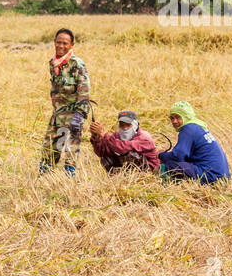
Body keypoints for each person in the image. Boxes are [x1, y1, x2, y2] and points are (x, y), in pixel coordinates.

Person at [40, 28, 92, 176]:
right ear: (54, 42)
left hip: (74, 114)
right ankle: (45, 175)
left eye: (65, 43)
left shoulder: (77, 65)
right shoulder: (53, 63)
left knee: (71, 149)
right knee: (49, 145)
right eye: (58, 42)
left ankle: (69, 178)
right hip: (58, 113)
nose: (61, 46)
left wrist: (79, 115)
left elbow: (84, 92)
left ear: (71, 45)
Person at [158, 101, 230, 183]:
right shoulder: (198, 127)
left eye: (178, 117)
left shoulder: (188, 129)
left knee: (170, 165)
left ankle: (164, 182)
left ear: (186, 116)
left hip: (210, 176)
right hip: (223, 176)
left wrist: (161, 155)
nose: (174, 121)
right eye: (172, 118)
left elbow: (178, 156)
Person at [89, 110, 161, 174]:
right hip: (125, 169)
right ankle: (117, 178)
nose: (125, 128)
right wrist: (97, 137)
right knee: (106, 157)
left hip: (148, 170)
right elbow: (103, 152)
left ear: (136, 125)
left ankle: (141, 176)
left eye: (128, 125)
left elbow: (124, 147)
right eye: (122, 125)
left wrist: (103, 134)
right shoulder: (117, 135)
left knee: (131, 154)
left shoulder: (145, 138)